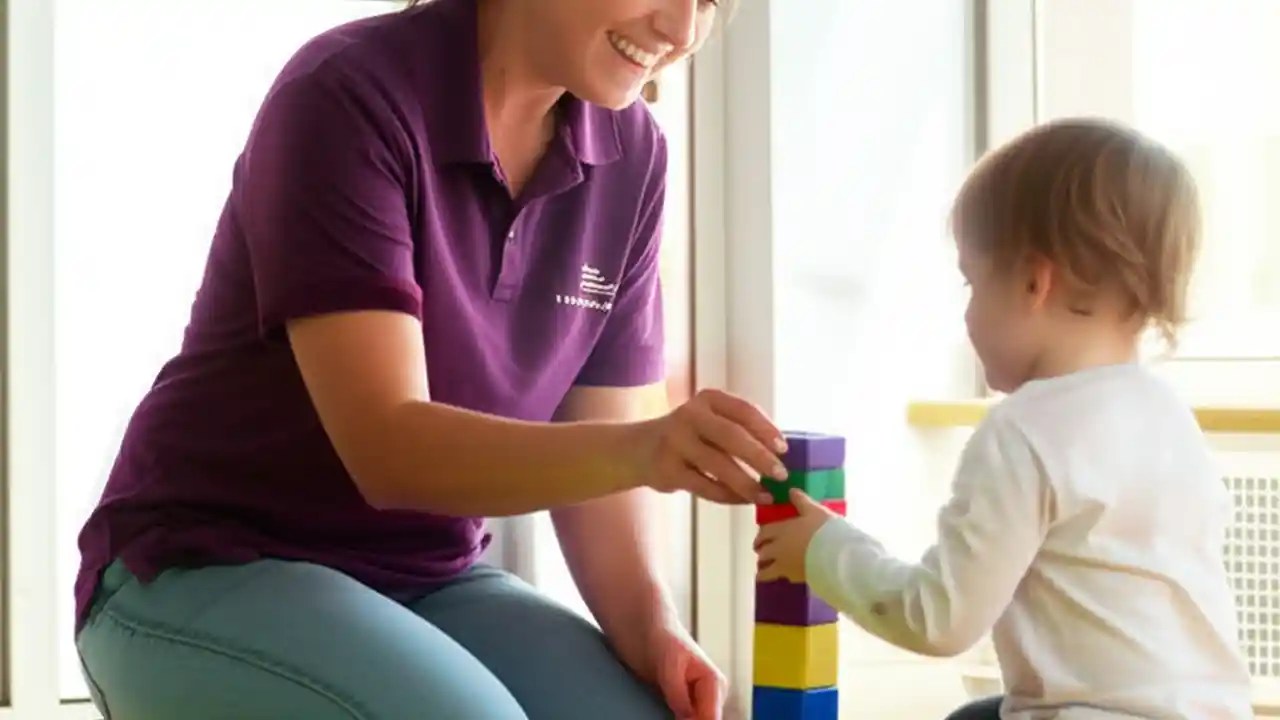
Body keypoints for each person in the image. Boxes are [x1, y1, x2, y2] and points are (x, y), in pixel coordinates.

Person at [73, 1, 778, 718]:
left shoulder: (631, 156)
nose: (684, 29)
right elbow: (389, 449)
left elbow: (596, 469)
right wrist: (647, 448)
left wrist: (652, 629)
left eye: (712, 0)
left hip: (427, 578)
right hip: (205, 563)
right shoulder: (346, 96)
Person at [754, 118, 1253, 718]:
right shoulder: (1168, 417)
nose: (966, 312)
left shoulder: (1026, 431)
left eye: (971, 279)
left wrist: (823, 548)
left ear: (1033, 283)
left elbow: (939, 619)